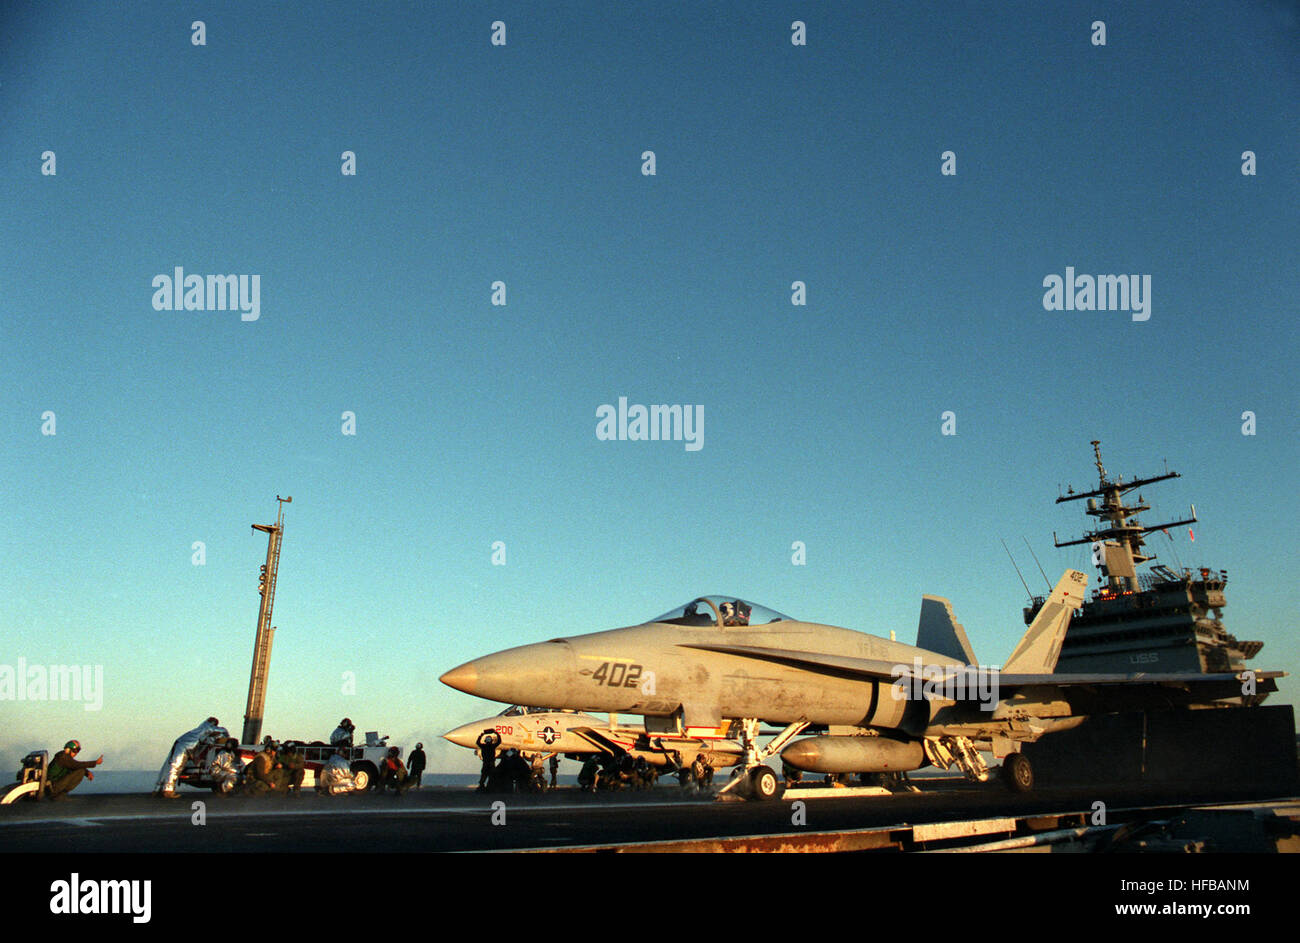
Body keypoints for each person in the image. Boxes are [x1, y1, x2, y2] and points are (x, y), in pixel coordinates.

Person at [155, 717, 223, 798]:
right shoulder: (207, 727)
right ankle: (168, 790)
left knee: (168, 765)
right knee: (175, 767)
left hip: (180, 743)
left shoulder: (199, 729)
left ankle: (158, 789)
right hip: (186, 746)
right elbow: (222, 731)